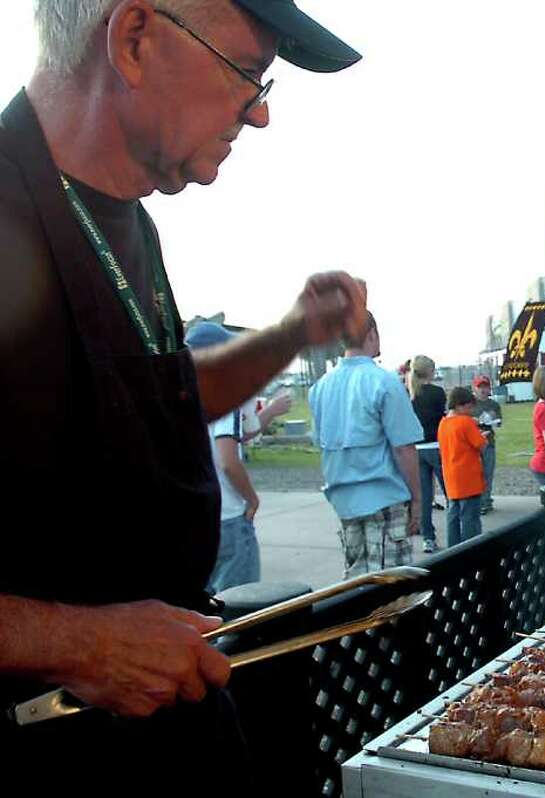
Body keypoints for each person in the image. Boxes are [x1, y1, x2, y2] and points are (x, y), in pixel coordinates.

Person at [0, 1, 364, 791]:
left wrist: (292, 333)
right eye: (248, 74)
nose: (261, 112)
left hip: (176, 729)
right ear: (134, 39)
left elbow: (151, 402)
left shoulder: (128, 217)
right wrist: (76, 644)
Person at [310, 313, 423, 577]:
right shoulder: (383, 382)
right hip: (383, 498)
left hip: (344, 500)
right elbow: (403, 448)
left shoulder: (320, 388)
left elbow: (323, 445)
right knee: (390, 592)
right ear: (371, 332)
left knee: (356, 582)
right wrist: (417, 499)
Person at [185, 322, 264, 593]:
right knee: (239, 611)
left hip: (196, 520)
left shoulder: (182, 398)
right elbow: (228, 460)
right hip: (228, 517)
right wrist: (252, 499)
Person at [439, 387, 489, 546]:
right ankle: (471, 548)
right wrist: (483, 437)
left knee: (453, 514)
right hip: (468, 476)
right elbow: (480, 445)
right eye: (468, 407)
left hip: (451, 475)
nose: (470, 411)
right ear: (460, 406)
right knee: (470, 518)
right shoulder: (465, 422)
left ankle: (453, 548)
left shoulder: (443, 423)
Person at [408, 354, 447, 553]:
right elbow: (443, 417)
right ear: (429, 371)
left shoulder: (410, 393)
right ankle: (457, 532)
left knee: (424, 497)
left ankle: (428, 538)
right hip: (435, 445)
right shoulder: (437, 393)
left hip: (417, 449)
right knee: (451, 493)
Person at [469, 374, 502, 514]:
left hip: (489, 442)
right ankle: (477, 501)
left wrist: (493, 420)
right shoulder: (470, 404)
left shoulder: (493, 404)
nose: (482, 390)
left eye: (485, 386)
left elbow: (499, 422)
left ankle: (486, 500)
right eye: (479, 387)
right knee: (476, 474)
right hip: (473, 444)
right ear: (474, 388)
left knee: (488, 473)